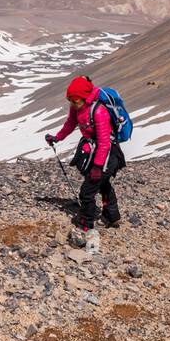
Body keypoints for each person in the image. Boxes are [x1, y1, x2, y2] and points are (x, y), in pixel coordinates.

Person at [45, 75, 125, 231]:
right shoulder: (77, 107)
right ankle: (112, 216)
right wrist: (57, 138)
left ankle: (86, 223)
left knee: (86, 192)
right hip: (95, 151)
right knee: (103, 184)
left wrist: (97, 166)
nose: (74, 104)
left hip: (108, 153)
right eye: (71, 101)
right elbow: (70, 124)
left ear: (84, 97)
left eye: (76, 101)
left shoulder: (99, 111)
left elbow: (104, 143)